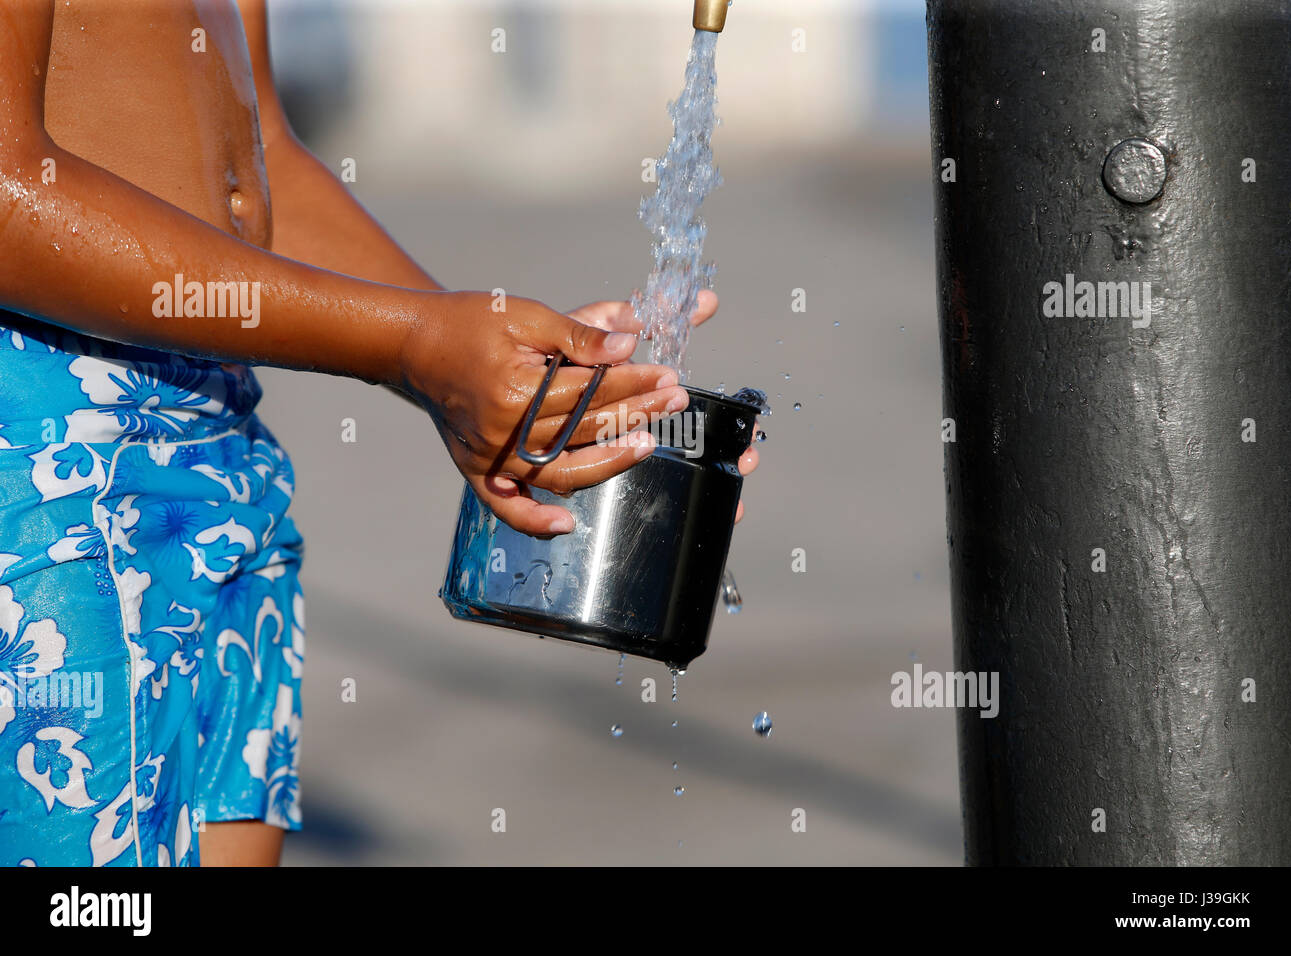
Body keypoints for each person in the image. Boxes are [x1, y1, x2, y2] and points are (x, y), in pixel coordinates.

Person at [0, 0, 758, 867]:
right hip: (44, 460)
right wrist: (410, 346)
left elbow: (263, 168)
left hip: (219, 441)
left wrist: (488, 368)